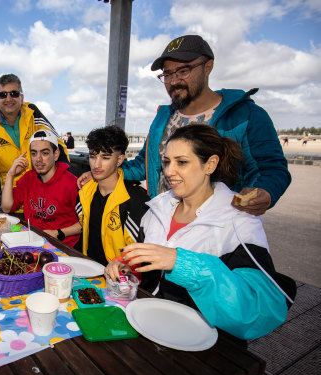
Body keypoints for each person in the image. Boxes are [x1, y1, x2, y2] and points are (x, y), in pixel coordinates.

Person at [106, 124, 296, 341]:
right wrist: (125, 265)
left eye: (182, 162)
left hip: (206, 346)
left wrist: (184, 264)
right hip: (150, 327)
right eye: (167, 162)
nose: (169, 171)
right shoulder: (157, 209)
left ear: (211, 164)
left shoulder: (239, 221)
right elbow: (144, 269)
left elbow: (258, 310)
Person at [79, 35, 290, 216]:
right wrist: (106, 171)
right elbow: (144, 165)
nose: (173, 81)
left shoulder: (246, 114)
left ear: (208, 67)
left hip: (217, 226)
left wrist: (265, 191)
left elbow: (272, 168)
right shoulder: (163, 119)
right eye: (167, 74)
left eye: (183, 71)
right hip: (163, 223)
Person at [0, 74, 69, 208]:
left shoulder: (34, 115)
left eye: (14, 93)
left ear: (21, 98)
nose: (8, 98)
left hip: (43, 200)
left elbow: (58, 149)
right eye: (3, 95)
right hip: (11, 202)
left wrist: (66, 186)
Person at [76, 125, 150, 267]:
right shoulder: (85, 193)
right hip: (88, 270)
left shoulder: (136, 201)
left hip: (119, 280)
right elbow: (85, 235)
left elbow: (142, 257)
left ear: (120, 160)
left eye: (105, 157)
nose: (97, 164)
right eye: (92, 156)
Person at [1, 130, 81, 247]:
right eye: (34, 153)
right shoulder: (28, 178)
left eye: (45, 153)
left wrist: (58, 233)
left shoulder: (72, 183)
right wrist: (10, 175)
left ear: (56, 154)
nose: (38, 159)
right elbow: (6, 207)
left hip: (63, 246)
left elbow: (85, 223)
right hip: (33, 242)